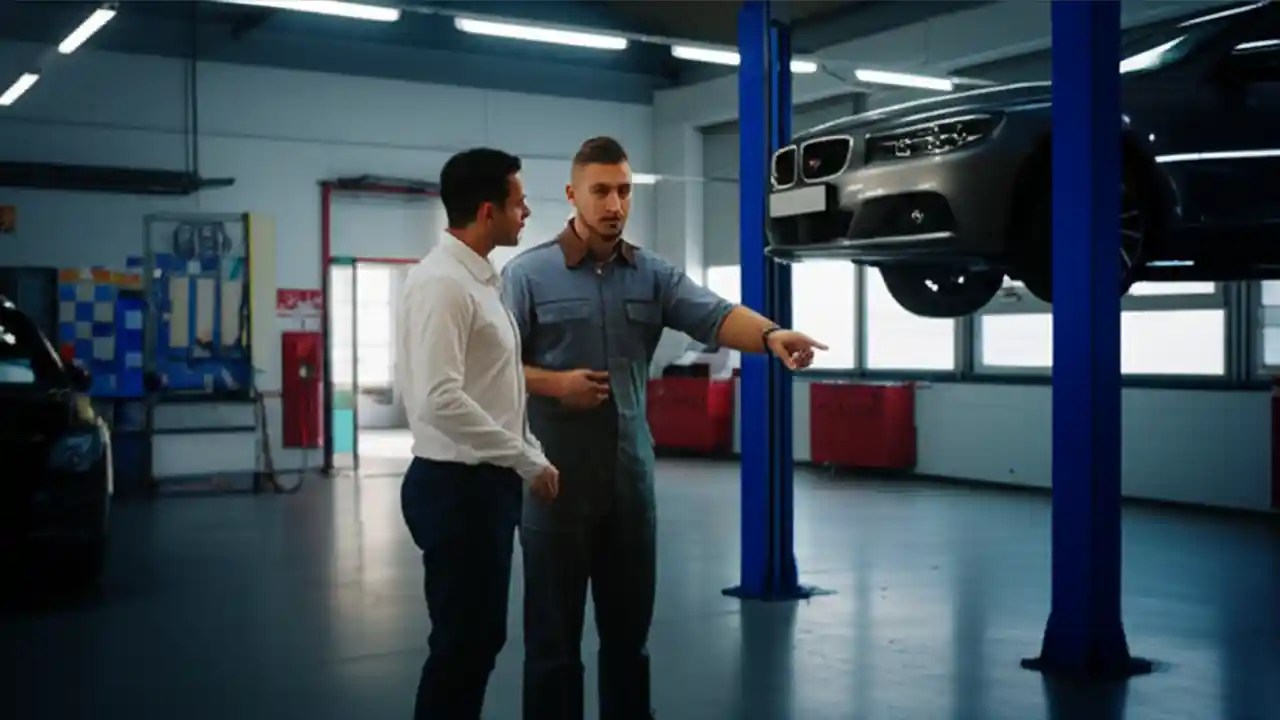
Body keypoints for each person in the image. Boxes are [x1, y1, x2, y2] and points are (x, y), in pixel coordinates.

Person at [500, 136, 826, 720]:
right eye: (601, 191)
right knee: (552, 650)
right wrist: (555, 385)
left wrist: (773, 335)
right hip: (554, 491)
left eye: (624, 190)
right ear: (573, 194)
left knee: (629, 644)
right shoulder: (527, 276)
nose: (614, 205)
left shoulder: (651, 275)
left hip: (630, 490)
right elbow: (493, 371)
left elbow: (716, 312)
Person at [396, 146, 560, 720]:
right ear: (488, 211)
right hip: (456, 489)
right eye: (519, 204)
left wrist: (529, 451)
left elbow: (494, 383)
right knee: (462, 645)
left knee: (478, 639)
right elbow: (440, 399)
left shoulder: (479, 281)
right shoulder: (443, 284)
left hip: (482, 486)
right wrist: (525, 460)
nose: (527, 213)